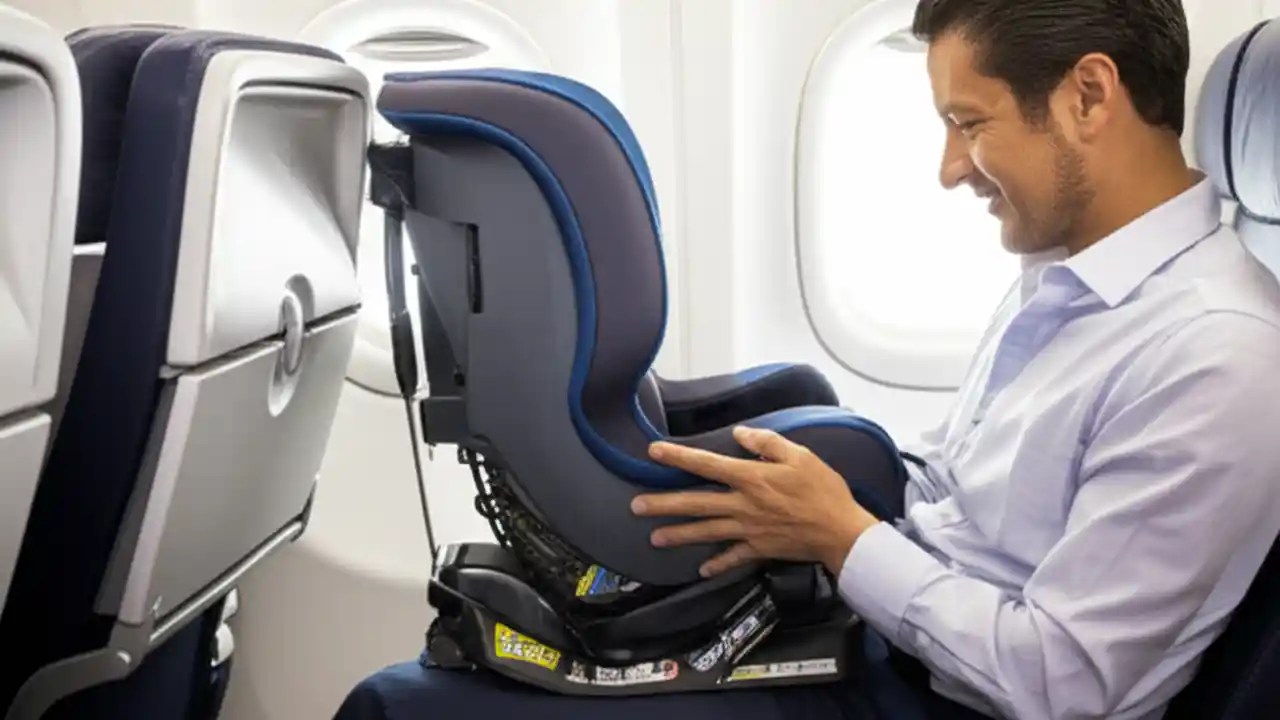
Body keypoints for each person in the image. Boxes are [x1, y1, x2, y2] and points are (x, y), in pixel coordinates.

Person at [335, 1, 1280, 718]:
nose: (950, 168)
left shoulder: (1213, 360)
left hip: (943, 698)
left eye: (971, 122)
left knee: (401, 709)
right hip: (890, 639)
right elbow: (962, 493)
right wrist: (805, 491)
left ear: (1087, 95)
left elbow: (1059, 685)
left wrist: (842, 536)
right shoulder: (1066, 275)